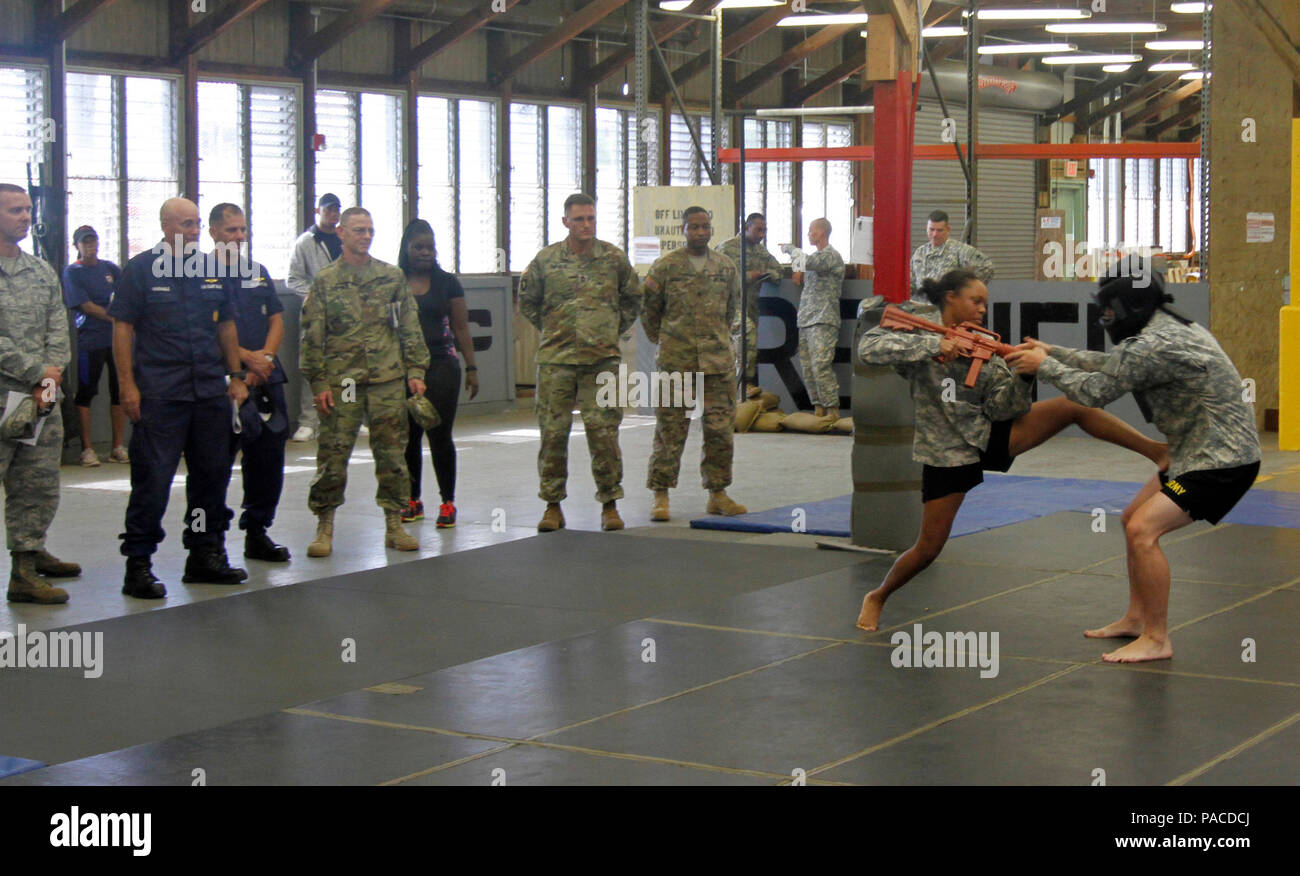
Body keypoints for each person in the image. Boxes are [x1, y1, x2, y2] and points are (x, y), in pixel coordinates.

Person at [855, 269, 1169, 633]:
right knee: (928, 548)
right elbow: (869, 347)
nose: (982, 310)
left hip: (990, 432)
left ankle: (1157, 451)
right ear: (950, 297)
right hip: (948, 450)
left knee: (1073, 407)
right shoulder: (920, 326)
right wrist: (934, 346)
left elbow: (1007, 409)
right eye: (975, 301)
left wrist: (1024, 374)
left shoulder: (984, 345)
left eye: (986, 304)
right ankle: (877, 596)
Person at [1007, 261, 1260, 664]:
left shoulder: (1154, 344)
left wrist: (1045, 366)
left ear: (1130, 305)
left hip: (1222, 461)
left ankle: (1157, 638)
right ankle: (1136, 617)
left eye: (1111, 309)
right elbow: (1115, 365)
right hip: (1194, 453)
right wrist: (1052, 351)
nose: (1106, 317)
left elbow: (1094, 391)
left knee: (1144, 529)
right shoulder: (1163, 326)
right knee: (1132, 518)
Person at [109, 197, 250, 599]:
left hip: (208, 390)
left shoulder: (211, 268)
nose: (192, 231)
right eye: (185, 224)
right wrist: (127, 386)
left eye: (195, 225)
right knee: (152, 481)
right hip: (160, 393)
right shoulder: (140, 270)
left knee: (210, 479)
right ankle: (138, 564)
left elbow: (226, 326)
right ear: (165, 225)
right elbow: (122, 329)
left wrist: (236, 376)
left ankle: (204, 554)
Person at [300, 207, 429, 557]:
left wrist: (416, 371)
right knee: (333, 455)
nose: (365, 236)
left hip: (387, 378)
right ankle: (324, 526)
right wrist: (318, 383)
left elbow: (410, 326)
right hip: (344, 383)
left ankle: (394, 524)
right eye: (358, 230)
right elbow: (312, 336)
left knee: (392, 455)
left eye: (370, 230)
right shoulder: (326, 281)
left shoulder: (391, 277)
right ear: (341, 233)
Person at [519, 193, 641, 533]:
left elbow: (632, 298)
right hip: (556, 361)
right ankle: (552, 505)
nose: (586, 225)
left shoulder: (613, 259)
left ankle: (610, 504)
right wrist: (554, 331)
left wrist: (609, 329)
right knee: (553, 435)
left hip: (601, 361)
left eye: (590, 218)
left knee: (604, 434)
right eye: (579, 219)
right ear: (565, 222)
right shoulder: (545, 261)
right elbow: (528, 302)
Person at [0, 183, 79, 605]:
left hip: (40, 402)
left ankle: (26, 564)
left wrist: (48, 383)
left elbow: (58, 331)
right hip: (4, 396)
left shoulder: (42, 271)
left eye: (27, 209)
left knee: (37, 485)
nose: (25, 217)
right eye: (15, 210)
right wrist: (34, 372)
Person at [642, 206, 747, 522]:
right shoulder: (665, 268)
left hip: (717, 363)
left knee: (719, 431)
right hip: (677, 361)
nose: (701, 232)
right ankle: (661, 495)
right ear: (683, 229)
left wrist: (718, 339)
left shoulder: (725, 267)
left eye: (705, 226)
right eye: (694, 227)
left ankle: (717, 493)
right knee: (669, 430)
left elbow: (732, 311)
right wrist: (670, 340)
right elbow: (649, 313)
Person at [208, 203, 291, 563]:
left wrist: (266, 360)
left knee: (268, 461)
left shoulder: (257, 272)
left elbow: (276, 319)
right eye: (231, 231)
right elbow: (208, 329)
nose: (239, 237)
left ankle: (257, 532)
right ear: (214, 232)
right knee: (214, 466)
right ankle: (210, 541)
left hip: (265, 379)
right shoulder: (200, 274)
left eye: (242, 230)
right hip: (224, 382)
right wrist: (244, 360)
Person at [396, 220, 478, 528]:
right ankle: (412, 500)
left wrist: (471, 368)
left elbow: (461, 328)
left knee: (440, 435)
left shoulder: (447, 283)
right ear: (407, 248)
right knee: (409, 437)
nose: (426, 252)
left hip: (442, 365)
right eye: (419, 247)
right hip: (404, 368)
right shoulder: (395, 281)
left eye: (430, 247)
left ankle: (447, 502)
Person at [63, 225, 128, 466]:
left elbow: (125, 295)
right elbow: (86, 306)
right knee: (86, 392)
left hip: (116, 340)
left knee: (119, 390)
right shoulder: (73, 272)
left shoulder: (110, 269)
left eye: (93, 241)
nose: (91, 246)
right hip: (90, 341)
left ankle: (118, 447)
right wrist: (113, 317)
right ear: (77, 246)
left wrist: (123, 319)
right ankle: (87, 449)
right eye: (85, 242)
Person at [286, 193, 343, 442]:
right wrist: (313, 295)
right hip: (316, 317)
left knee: (349, 370)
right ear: (318, 211)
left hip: (347, 318)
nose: (333, 214)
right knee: (312, 369)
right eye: (329, 210)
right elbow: (293, 278)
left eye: (337, 210)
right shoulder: (306, 242)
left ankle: (350, 414)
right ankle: (308, 421)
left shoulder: (345, 239)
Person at [716, 212, 782, 399]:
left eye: (764, 230)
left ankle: (738, 388)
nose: (761, 234)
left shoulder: (761, 251)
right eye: (758, 230)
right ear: (746, 227)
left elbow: (777, 270)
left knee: (742, 346)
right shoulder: (727, 248)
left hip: (750, 307)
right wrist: (747, 276)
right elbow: (718, 276)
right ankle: (744, 383)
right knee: (747, 332)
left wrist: (764, 273)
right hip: (729, 306)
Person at [788, 218, 845, 418]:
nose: (809, 234)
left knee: (821, 365)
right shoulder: (814, 257)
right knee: (808, 366)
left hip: (823, 318)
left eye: (812, 230)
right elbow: (798, 275)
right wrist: (798, 267)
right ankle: (818, 408)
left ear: (821, 231)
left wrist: (792, 251)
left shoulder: (831, 256)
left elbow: (810, 263)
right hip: (806, 319)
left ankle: (832, 409)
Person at [910, 210, 994, 294]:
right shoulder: (919, 253)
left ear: (948, 229)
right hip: (921, 305)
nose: (935, 234)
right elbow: (910, 282)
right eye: (931, 229)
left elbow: (987, 266)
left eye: (939, 230)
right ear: (926, 228)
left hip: (948, 305)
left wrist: (963, 290)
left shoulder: (959, 250)